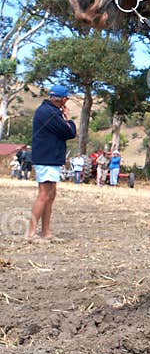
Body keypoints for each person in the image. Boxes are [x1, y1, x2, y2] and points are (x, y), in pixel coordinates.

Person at [25, 84, 77, 239]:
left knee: (51, 193)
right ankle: (31, 232)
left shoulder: (49, 111)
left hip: (50, 158)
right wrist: (69, 119)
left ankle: (46, 231)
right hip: (47, 158)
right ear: (63, 99)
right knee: (44, 194)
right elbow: (69, 132)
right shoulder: (50, 113)